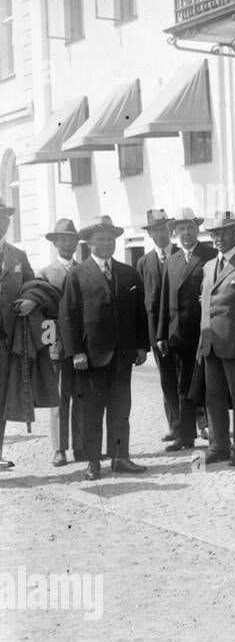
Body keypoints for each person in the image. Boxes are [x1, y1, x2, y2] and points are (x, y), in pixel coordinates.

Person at [58, 217, 149, 481]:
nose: (106, 244)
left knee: (121, 410)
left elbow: (139, 315)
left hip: (122, 356)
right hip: (90, 357)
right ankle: (93, 462)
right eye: (100, 240)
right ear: (89, 243)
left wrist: (142, 346)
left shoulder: (128, 273)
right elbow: (67, 316)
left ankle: (120, 458)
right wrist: (76, 351)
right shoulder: (77, 274)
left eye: (109, 239)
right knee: (92, 412)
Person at [197, 213, 235, 466]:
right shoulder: (209, 266)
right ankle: (218, 445)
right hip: (211, 343)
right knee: (213, 396)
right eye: (214, 234)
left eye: (223, 233)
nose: (218, 238)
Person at [156, 208, 216, 452]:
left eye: (190, 228)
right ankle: (186, 436)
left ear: (197, 229)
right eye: (181, 229)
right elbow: (163, 299)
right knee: (183, 387)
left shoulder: (210, 255)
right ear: (174, 233)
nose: (187, 233)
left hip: (205, 332)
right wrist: (161, 334)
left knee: (210, 384)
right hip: (179, 335)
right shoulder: (172, 261)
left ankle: (216, 434)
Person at [37, 218, 83, 466]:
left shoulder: (84, 269)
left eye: (71, 239)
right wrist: (49, 346)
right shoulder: (44, 273)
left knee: (82, 397)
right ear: (55, 242)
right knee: (59, 398)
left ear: (77, 242)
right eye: (62, 239)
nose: (67, 243)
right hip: (58, 346)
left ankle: (80, 446)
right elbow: (43, 314)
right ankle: (59, 448)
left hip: (82, 346)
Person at [136, 209, 180, 444]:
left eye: (163, 229)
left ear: (170, 230)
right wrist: (144, 339)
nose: (160, 234)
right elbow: (141, 301)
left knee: (189, 375)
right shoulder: (143, 262)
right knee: (167, 378)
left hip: (180, 327)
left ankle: (201, 423)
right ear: (150, 233)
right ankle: (175, 425)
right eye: (155, 230)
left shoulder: (182, 255)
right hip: (156, 331)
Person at [0, 202, 35, 468]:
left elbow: (33, 285)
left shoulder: (18, 256)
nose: (1, 223)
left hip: (8, 341)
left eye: (4, 219)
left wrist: (30, 301)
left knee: (2, 397)